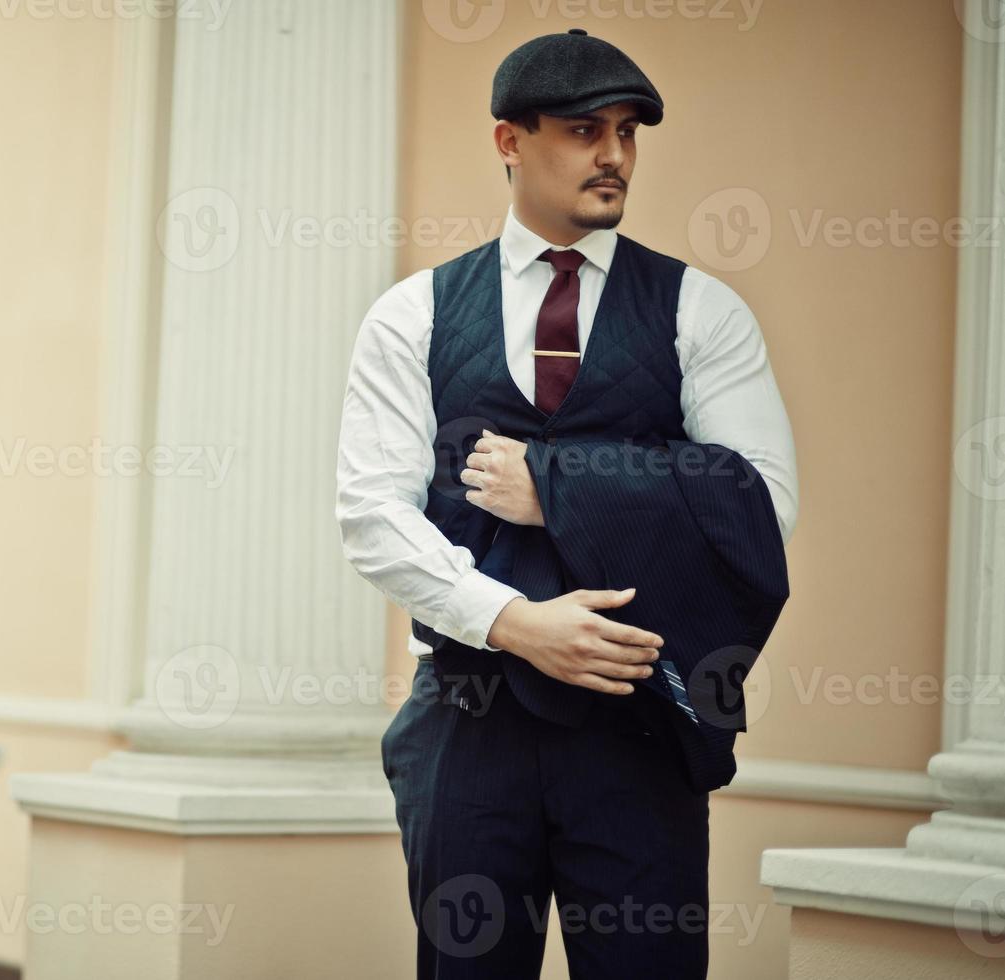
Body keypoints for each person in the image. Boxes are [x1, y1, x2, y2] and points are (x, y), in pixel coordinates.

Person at [335, 28, 799, 979]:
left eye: (628, 132)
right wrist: (512, 623)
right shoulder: (411, 314)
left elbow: (760, 509)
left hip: (638, 727)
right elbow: (372, 518)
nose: (614, 155)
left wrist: (557, 489)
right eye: (585, 129)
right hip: (467, 721)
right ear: (509, 140)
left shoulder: (700, 312)